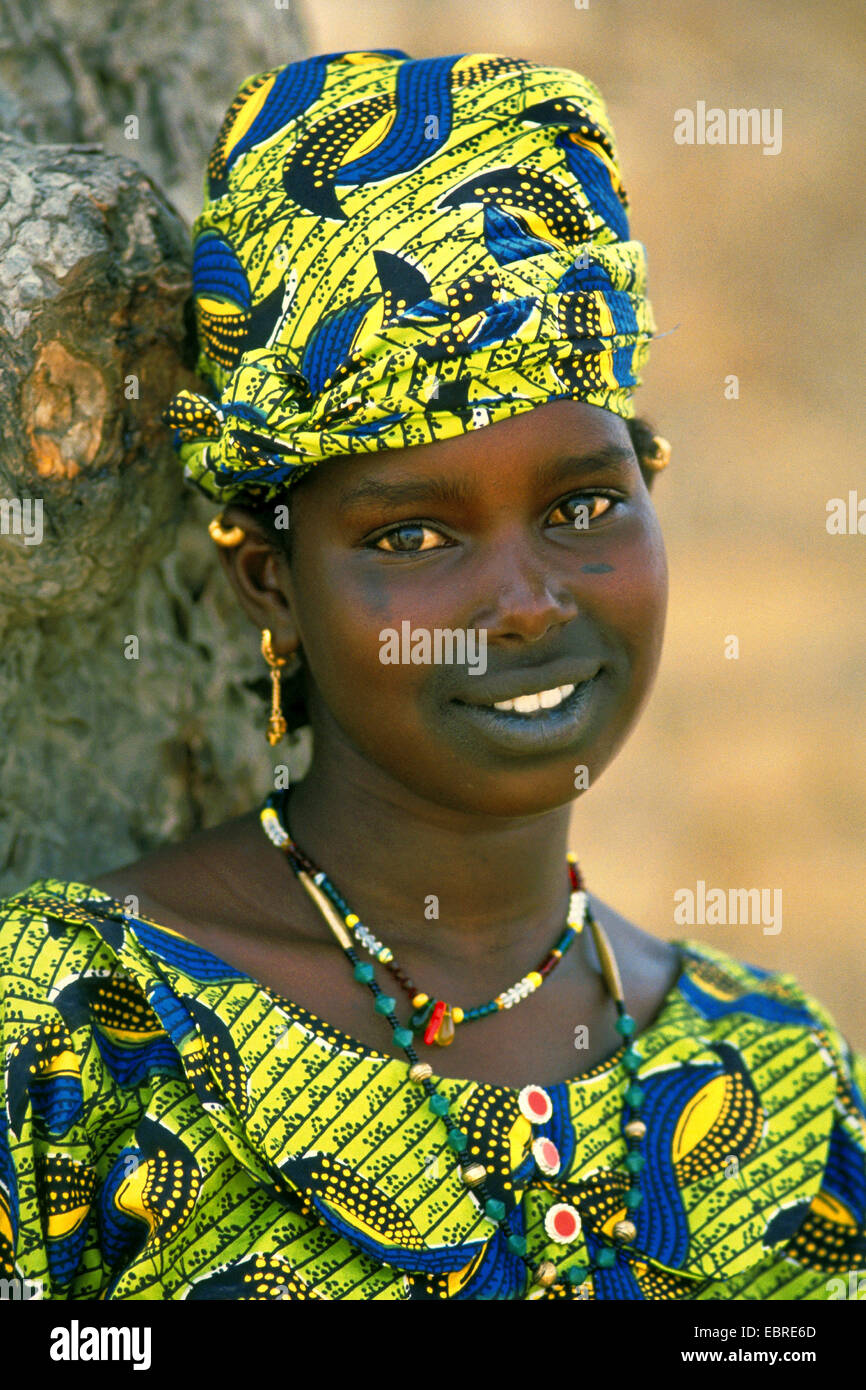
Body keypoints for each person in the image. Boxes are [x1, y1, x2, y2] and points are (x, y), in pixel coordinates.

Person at [1, 49, 863, 1303]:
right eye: (413, 534)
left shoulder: (784, 1083)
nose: (523, 603)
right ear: (270, 583)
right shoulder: (77, 1038)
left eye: (580, 503)